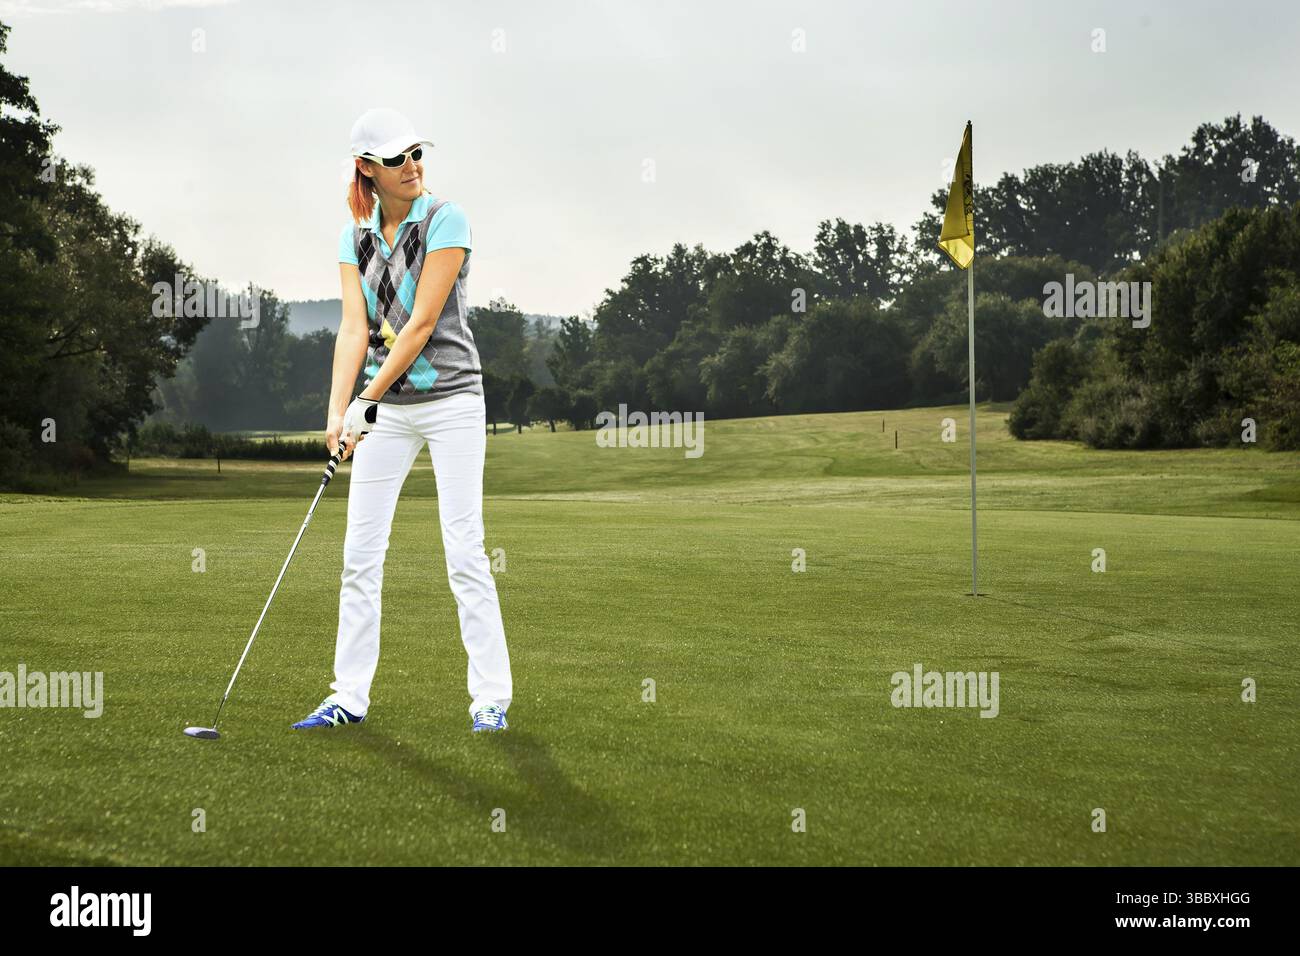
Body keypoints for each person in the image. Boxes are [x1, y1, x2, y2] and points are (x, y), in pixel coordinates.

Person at [292, 107, 512, 734]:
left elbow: (417, 326)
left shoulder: (448, 219)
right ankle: (348, 697)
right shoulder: (352, 237)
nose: (412, 166)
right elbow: (355, 328)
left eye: (417, 153)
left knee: (464, 550)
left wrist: (368, 399)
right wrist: (340, 412)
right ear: (367, 169)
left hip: (452, 401)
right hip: (387, 410)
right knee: (360, 555)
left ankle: (489, 698)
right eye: (396, 159)